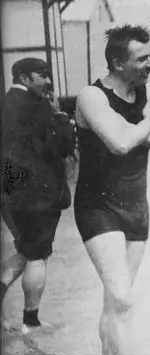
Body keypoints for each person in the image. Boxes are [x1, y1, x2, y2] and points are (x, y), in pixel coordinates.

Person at [73, 24, 150, 355]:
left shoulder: (147, 92)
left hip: (136, 207)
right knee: (122, 298)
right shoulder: (91, 97)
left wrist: (139, 128)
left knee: (114, 305)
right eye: (142, 59)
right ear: (118, 62)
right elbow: (118, 144)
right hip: (97, 207)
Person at [1, 58, 75, 333]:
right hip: (38, 193)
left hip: (11, 189)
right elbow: (63, 146)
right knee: (37, 255)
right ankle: (30, 322)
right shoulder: (39, 105)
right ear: (23, 77)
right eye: (42, 75)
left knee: (25, 247)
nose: (47, 81)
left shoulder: (6, 102)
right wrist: (60, 115)